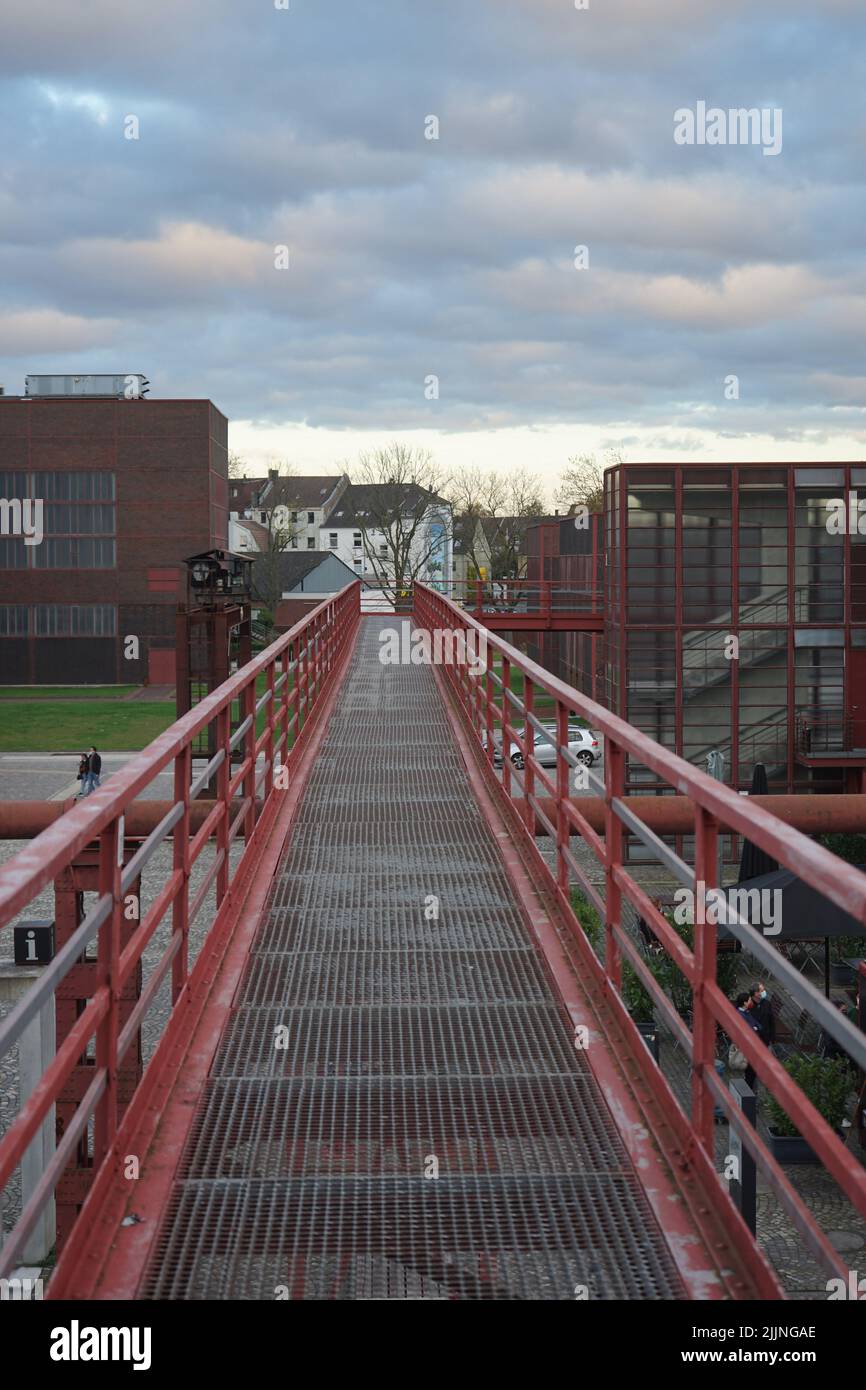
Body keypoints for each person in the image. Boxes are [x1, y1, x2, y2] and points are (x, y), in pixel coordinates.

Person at [732, 990, 762, 1094]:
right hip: (748, 1046)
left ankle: (750, 1089)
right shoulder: (741, 1015)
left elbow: (756, 1025)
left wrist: (756, 1027)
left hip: (751, 1044)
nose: (751, 1002)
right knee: (751, 1071)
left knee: (751, 1071)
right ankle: (749, 1092)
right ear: (745, 1003)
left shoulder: (746, 1012)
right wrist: (755, 1028)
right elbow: (751, 1029)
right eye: (749, 1000)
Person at [750, 981, 776, 1048]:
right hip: (752, 1039)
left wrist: (772, 1038)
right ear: (756, 993)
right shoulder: (747, 1004)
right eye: (762, 990)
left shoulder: (767, 1004)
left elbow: (771, 1021)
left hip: (765, 1040)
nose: (764, 992)